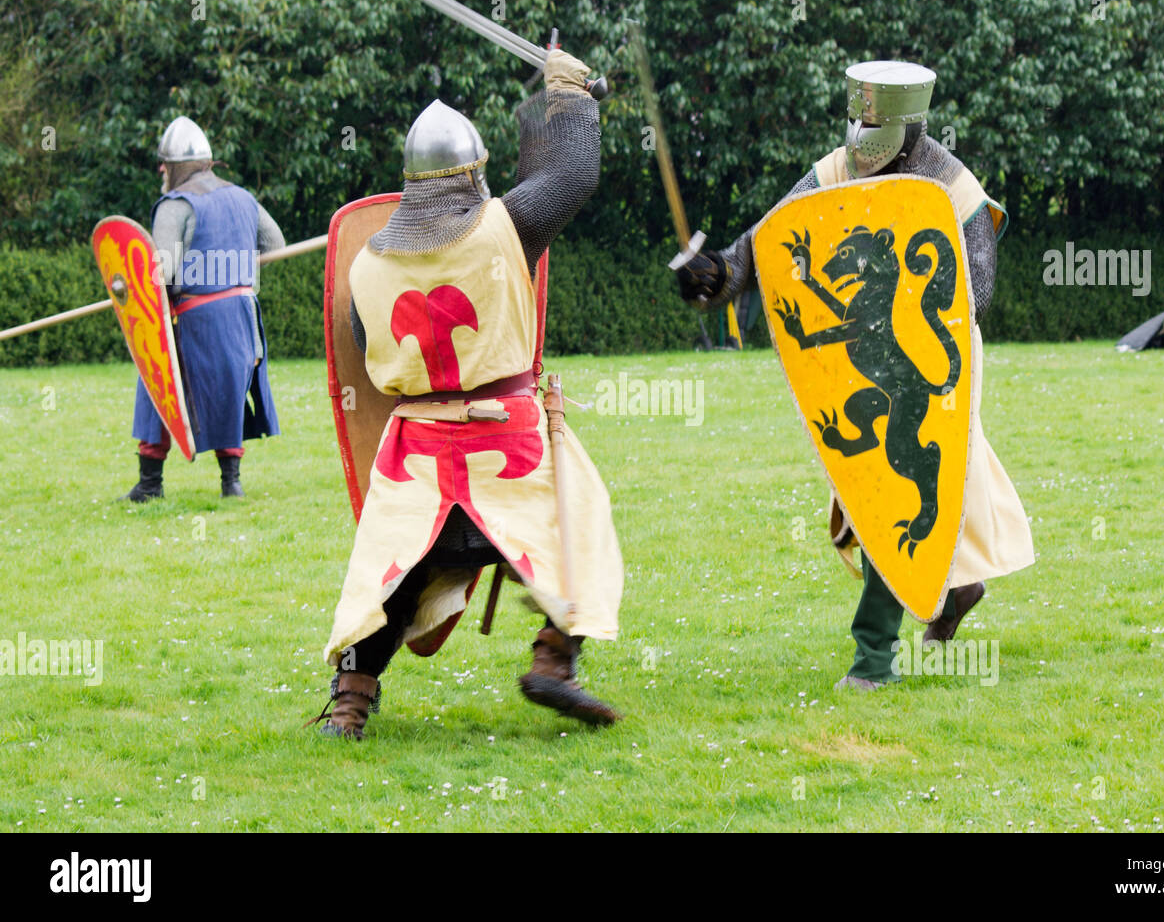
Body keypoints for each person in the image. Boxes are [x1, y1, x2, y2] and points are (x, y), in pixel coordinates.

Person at [675, 60, 1034, 691]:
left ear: (908, 127)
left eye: (876, 126)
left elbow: (973, 292)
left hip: (930, 360)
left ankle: (874, 657)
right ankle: (952, 590)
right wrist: (719, 274)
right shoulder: (834, 170)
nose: (861, 139)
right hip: (856, 353)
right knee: (893, 488)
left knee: (891, 489)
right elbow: (769, 240)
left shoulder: (951, 185)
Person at [312, 49, 623, 740]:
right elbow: (573, 173)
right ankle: (554, 659)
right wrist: (570, 95)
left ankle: (351, 700)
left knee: (391, 575)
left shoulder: (369, 265)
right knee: (577, 522)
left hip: (418, 462)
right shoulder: (507, 226)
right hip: (506, 450)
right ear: (474, 174)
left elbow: (369, 357)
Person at [123, 116, 285, 501]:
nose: (161, 171)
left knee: (157, 383)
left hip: (193, 320)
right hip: (240, 319)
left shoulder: (175, 205)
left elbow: (161, 273)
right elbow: (276, 245)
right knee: (228, 392)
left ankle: (150, 484)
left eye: (164, 163)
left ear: (175, 166)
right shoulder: (244, 197)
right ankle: (232, 484)